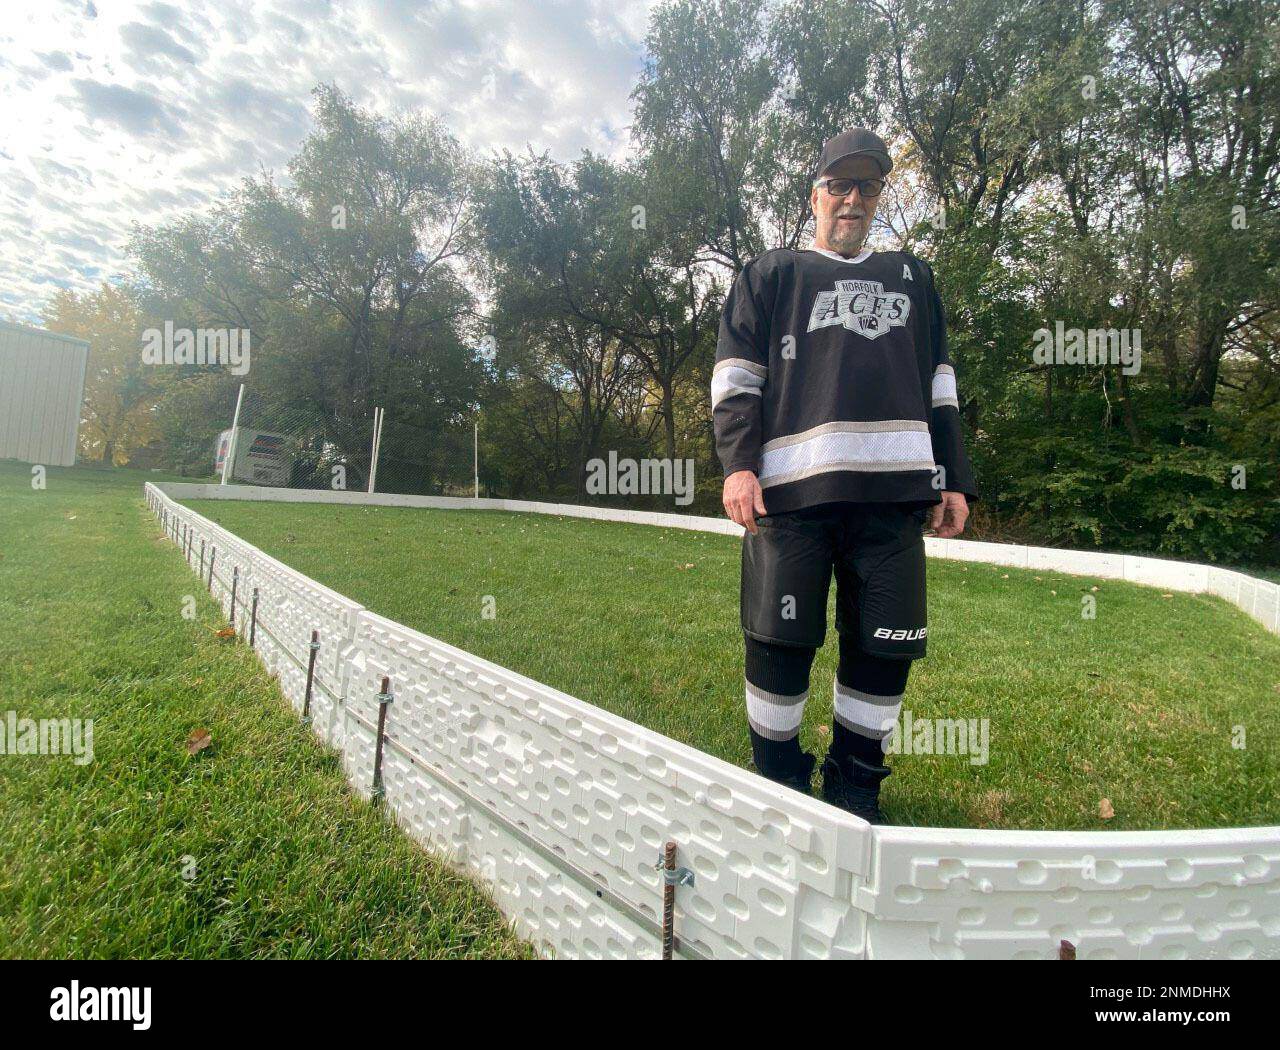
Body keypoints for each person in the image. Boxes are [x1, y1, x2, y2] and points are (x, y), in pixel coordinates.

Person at [712, 128, 977, 823]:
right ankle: (778, 781)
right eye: (839, 185)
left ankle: (856, 785)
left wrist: (953, 477)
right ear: (815, 195)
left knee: (885, 646)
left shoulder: (914, 279)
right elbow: (736, 380)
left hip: (892, 501)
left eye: (867, 186)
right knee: (778, 639)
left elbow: (940, 384)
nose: (852, 199)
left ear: (879, 197)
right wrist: (739, 465)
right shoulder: (772, 273)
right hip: (790, 498)